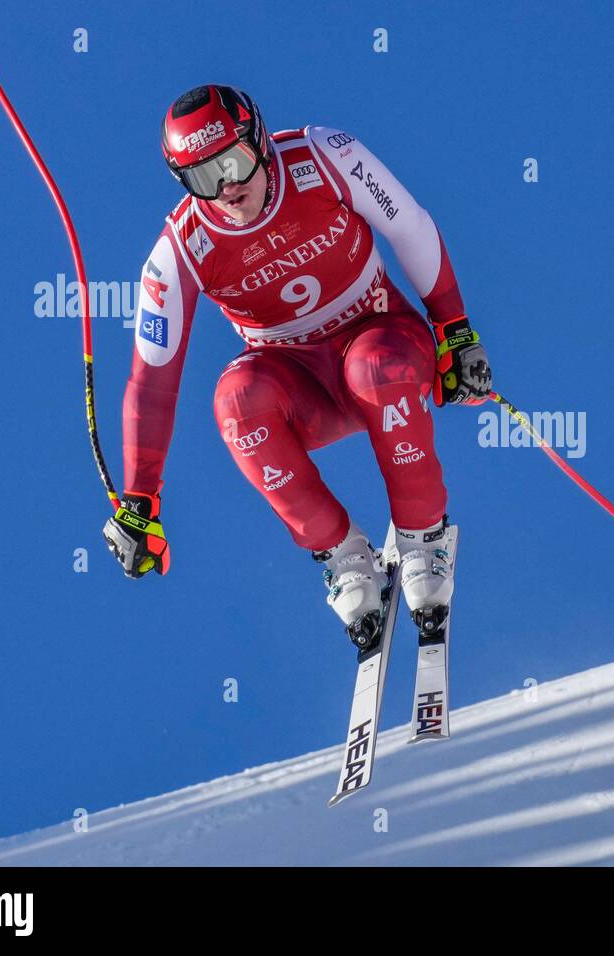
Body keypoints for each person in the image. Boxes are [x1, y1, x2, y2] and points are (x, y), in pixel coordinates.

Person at [101, 85, 491, 648]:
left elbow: (410, 225)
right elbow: (153, 379)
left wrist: (455, 331)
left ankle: (424, 539)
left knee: (373, 366)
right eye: (205, 179)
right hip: (300, 387)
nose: (228, 188)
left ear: (258, 142)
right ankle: (343, 555)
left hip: (385, 344)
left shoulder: (324, 156)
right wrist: (139, 500)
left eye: (233, 163)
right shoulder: (180, 250)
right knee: (236, 401)